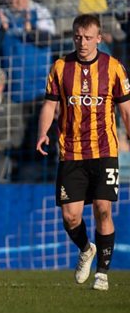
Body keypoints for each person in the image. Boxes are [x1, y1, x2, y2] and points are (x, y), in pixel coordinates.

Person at [35, 14, 130, 292]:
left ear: (99, 38)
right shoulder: (60, 67)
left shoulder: (113, 68)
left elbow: (125, 109)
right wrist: (43, 132)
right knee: (70, 217)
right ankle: (85, 248)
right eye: (78, 37)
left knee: (103, 209)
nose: (83, 43)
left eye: (88, 38)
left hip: (104, 150)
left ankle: (102, 272)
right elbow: (50, 105)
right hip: (71, 151)